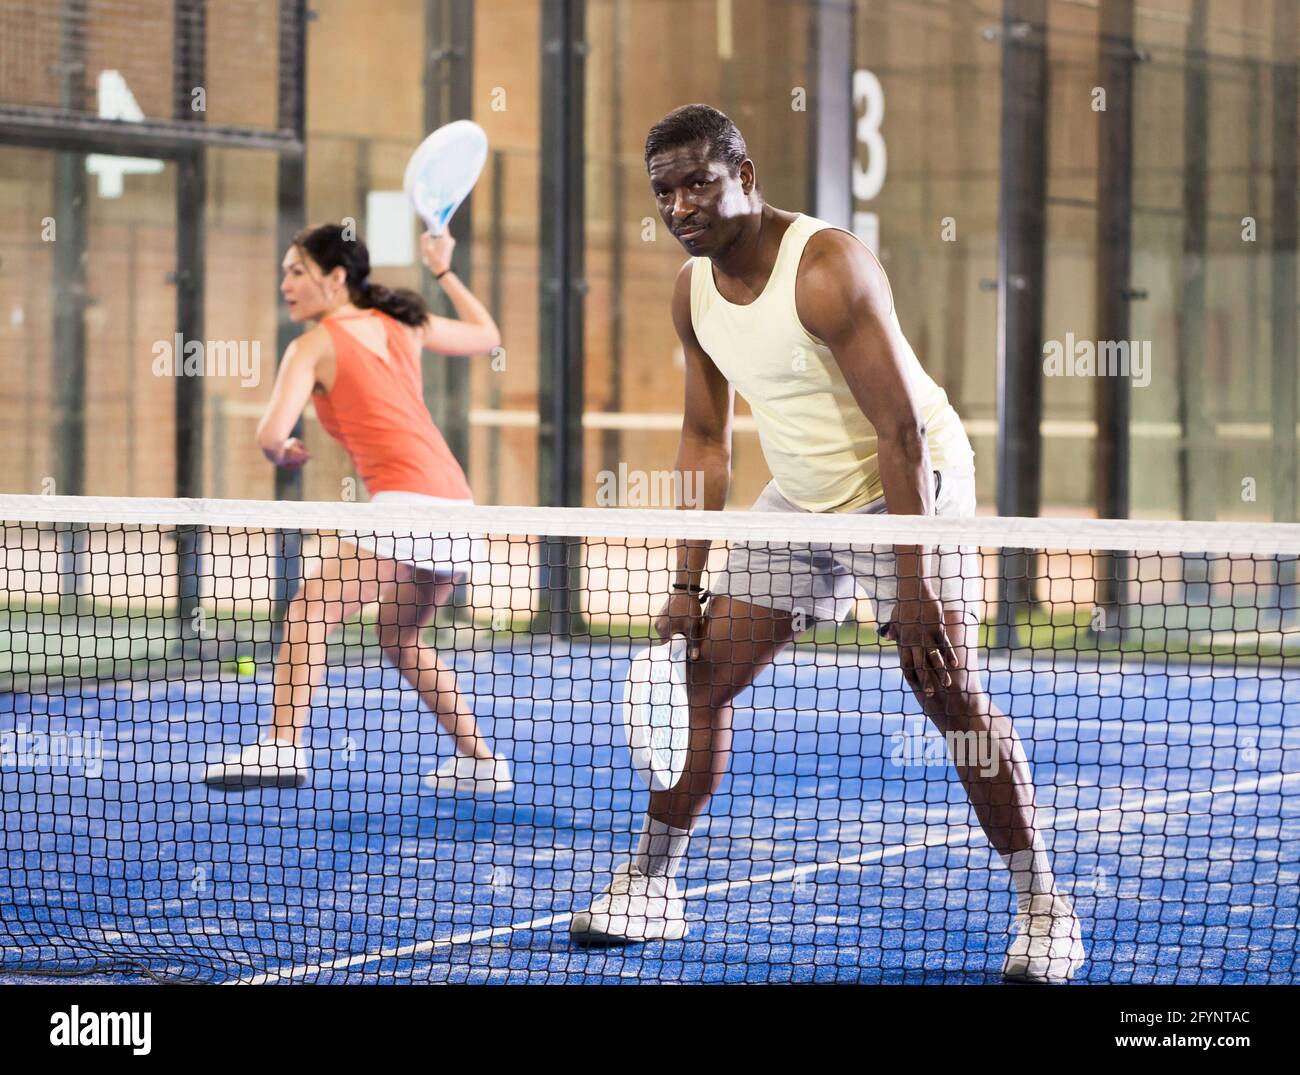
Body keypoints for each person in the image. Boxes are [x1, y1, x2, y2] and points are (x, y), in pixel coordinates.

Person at [570, 104, 1086, 983]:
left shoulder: (825, 268)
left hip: (905, 491)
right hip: (801, 503)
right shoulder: (692, 291)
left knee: (948, 691)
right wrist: (686, 584)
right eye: (665, 190)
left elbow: (902, 433)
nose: (681, 205)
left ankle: (1045, 906)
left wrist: (913, 583)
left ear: (747, 175)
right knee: (701, 677)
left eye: (699, 181)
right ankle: (652, 882)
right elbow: (703, 438)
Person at [203, 224, 511, 796]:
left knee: (308, 609)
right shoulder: (402, 323)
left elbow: (270, 434)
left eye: (297, 271)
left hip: (408, 504)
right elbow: (486, 334)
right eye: (284, 272)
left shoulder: (312, 345)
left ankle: (280, 746)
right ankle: (481, 763)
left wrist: (283, 451)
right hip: (457, 505)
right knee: (398, 635)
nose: (285, 284)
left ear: (336, 278)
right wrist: (444, 269)